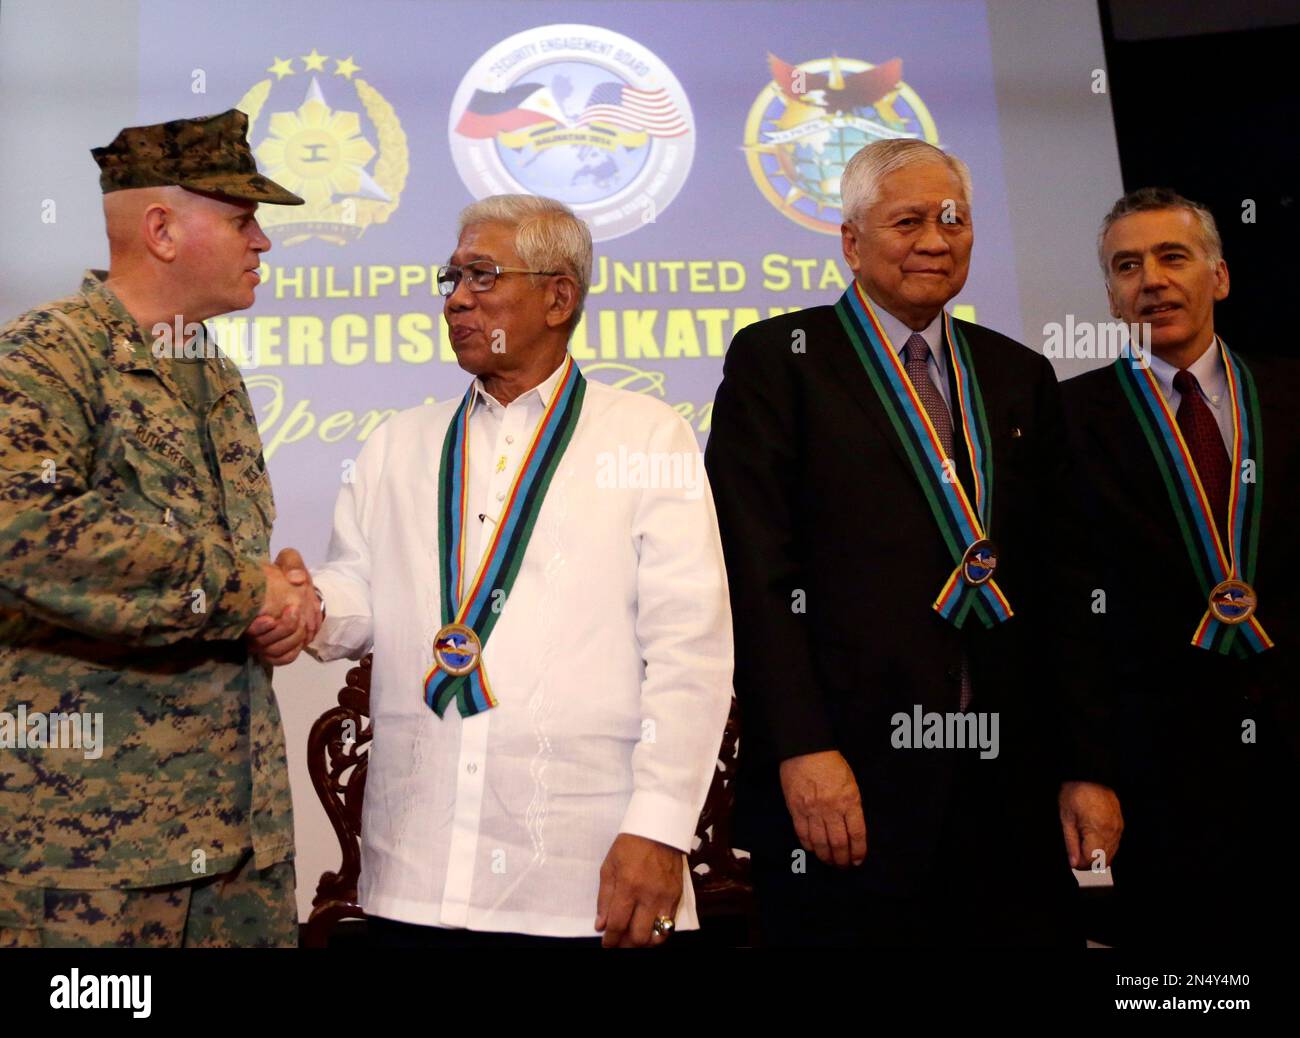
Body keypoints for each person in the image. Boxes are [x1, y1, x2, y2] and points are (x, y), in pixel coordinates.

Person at [270, 193, 732, 948]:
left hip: (584, 874)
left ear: (558, 297)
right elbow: (363, 595)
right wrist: (306, 604)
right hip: (415, 873)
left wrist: (659, 829)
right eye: (450, 278)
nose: (456, 300)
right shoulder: (398, 444)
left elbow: (692, 652)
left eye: (482, 276)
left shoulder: (649, 435)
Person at [704, 139, 1120, 947]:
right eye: (908, 221)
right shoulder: (779, 361)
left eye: (953, 219)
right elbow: (755, 574)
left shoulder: (1019, 374)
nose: (936, 238)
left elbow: (1066, 584)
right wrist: (803, 747)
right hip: (848, 781)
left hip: (1007, 787)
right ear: (852, 242)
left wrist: (1086, 763)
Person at [0, 110, 319, 948]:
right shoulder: (44, 357)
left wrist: (281, 601)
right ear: (161, 230)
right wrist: (249, 591)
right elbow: (29, 534)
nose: (263, 244)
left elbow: (221, 557)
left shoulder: (213, 371)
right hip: (94, 857)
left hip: (238, 845)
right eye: (244, 221)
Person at [1062, 187, 1299, 946]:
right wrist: (1087, 767)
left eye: (1173, 257)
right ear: (1109, 296)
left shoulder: (1294, 395)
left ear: (1219, 277)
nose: (1151, 280)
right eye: (1127, 266)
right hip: (1157, 780)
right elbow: (1066, 615)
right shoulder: (1067, 419)